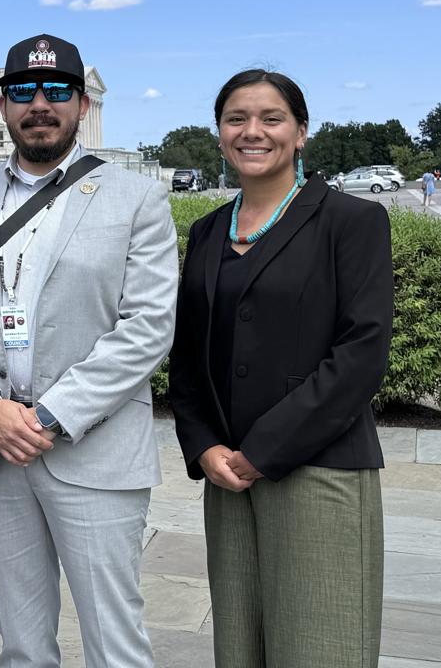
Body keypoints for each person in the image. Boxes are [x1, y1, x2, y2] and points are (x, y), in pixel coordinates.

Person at [0, 34, 178, 668]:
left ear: (82, 104)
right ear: (4, 105)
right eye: (23, 92)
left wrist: (49, 416)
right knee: (21, 642)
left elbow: (147, 325)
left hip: (91, 445)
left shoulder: (135, 197)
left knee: (114, 643)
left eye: (57, 91)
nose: (40, 104)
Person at [167, 70, 394, 668]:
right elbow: (187, 354)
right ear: (219, 134)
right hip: (228, 474)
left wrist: (264, 449)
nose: (252, 131)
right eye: (236, 119)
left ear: (300, 133)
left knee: (322, 644)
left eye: (271, 119)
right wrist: (204, 446)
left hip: (318, 468)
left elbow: (362, 351)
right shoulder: (207, 230)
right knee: (241, 647)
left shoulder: (351, 220)